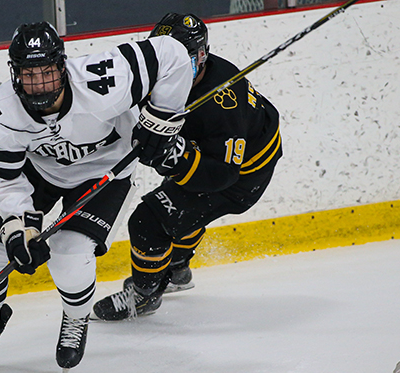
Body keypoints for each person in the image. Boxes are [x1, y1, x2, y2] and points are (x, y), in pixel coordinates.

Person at [0, 21, 193, 373]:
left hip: (104, 171)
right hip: (40, 171)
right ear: (15, 75)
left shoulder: (102, 80)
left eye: (48, 72)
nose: (40, 84)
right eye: (29, 75)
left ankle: (75, 318)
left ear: (63, 67)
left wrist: (161, 122)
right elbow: (0, 180)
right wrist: (18, 227)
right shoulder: (1, 114)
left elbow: (172, 53)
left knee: (69, 256)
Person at [92, 13, 283, 321]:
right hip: (216, 154)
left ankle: (144, 294)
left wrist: (176, 157)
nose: (172, 68)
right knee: (179, 207)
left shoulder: (222, 102)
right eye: (165, 57)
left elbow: (222, 173)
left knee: (147, 221)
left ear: (202, 56)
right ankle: (178, 271)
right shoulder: (168, 75)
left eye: (183, 59)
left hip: (242, 176)